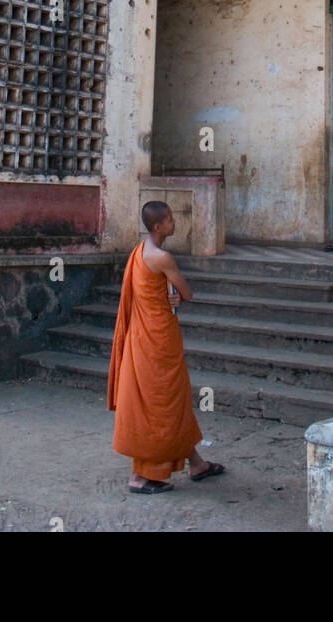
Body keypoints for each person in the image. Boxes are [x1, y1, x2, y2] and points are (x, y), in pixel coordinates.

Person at [107, 200, 226, 494]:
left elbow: (154, 292)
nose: (175, 223)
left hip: (144, 335)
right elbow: (188, 292)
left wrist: (169, 296)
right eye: (171, 220)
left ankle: (196, 464)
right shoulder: (162, 257)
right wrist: (178, 296)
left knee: (175, 402)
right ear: (159, 226)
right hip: (157, 343)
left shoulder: (139, 252)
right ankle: (139, 475)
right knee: (159, 404)